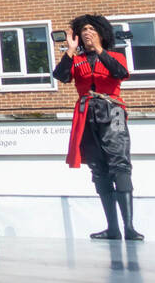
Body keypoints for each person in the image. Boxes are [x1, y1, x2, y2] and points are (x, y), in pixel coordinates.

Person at [54, 15, 142, 241]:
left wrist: (100, 49)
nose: (87, 32)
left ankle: (129, 227)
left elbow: (120, 73)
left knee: (120, 165)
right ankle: (112, 228)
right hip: (87, 114)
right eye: (83, 29)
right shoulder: (77, 59)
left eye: (92, 28)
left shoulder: (115, 55)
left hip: (113, 111)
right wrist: (71, 51)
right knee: (98, 170)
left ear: (102, 32)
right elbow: (61, 76)